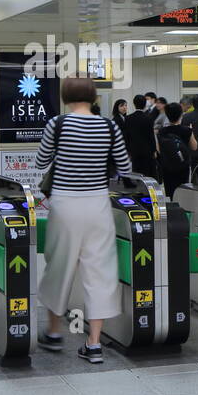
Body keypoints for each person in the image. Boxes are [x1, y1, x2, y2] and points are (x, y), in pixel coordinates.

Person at [35, 77, 132, 363]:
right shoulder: (109, 126)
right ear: (93, 97)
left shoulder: (58, 124)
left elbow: (41, 163)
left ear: (66, 97)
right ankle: (93, 344)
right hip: (98, 204)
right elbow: (124, 167)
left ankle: (54, 333)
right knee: (99, 271)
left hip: (65, 204)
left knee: (60, 266)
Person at [155, 102, 198, 196]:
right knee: (183, 192)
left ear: (167, 115)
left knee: (170, 191)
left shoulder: (162, 131)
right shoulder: (186, 130)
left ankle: (171, 209)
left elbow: (158, 150)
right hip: (183, 166)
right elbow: (194, 147)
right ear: (181, 114)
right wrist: (191, 131)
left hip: (167, 167)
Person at [122, 94, 157, 178]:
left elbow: (126, 136)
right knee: (146, 173)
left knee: (136, 172)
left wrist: (127, 150)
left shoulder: (128, 118)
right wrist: (154, 150)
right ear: (145, 104)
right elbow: (151, 136)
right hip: (147, 151)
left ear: (134, 104)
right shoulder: (148, 118)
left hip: (134, 150)